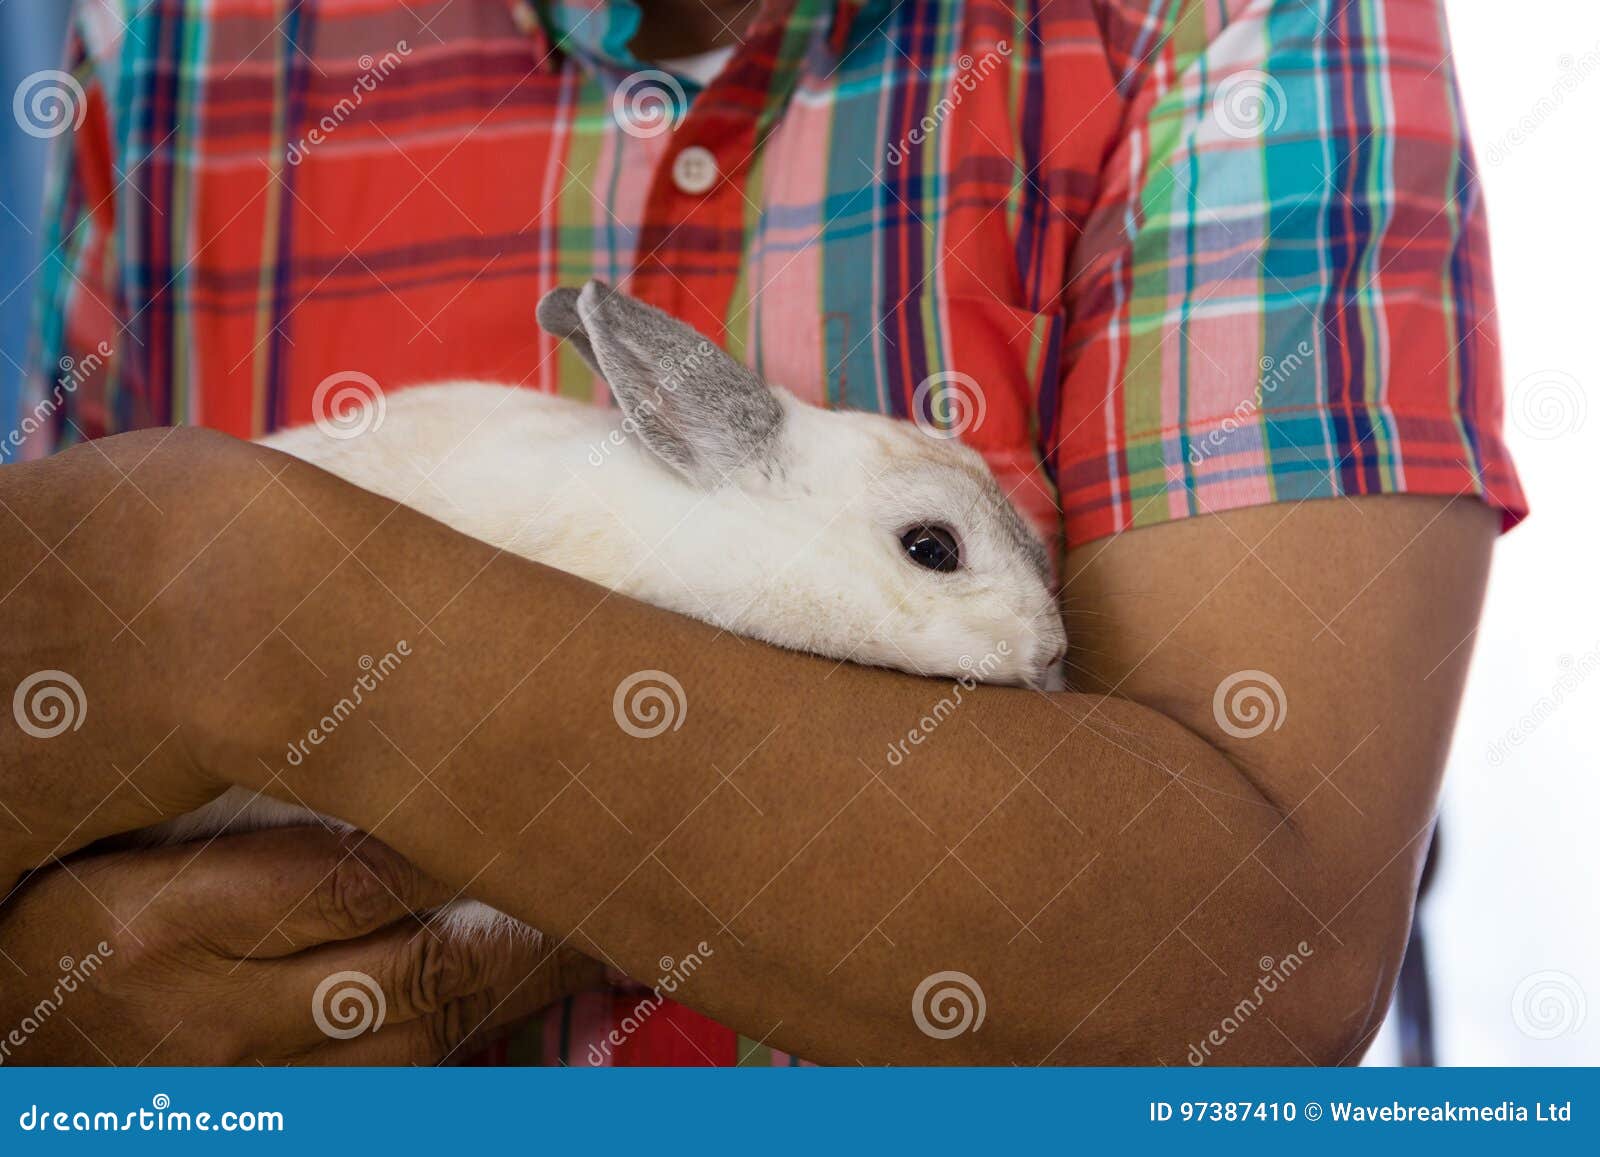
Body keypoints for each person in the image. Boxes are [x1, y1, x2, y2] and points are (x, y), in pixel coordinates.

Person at [0, 0, 1524, 1065]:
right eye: (933, 557)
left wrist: (249, 604)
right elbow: (56, 696)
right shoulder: (165, 45)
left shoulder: (1233, 29)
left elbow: (1264, 956)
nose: (1035, 645)